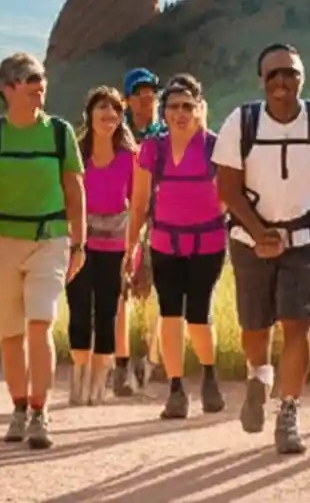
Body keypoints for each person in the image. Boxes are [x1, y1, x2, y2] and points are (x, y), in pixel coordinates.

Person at [214, 42, 310, 455]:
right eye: (273, 74)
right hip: (248, 239)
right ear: (262, 80)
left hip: (303, 242)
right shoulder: (242, 122)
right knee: (255, 328)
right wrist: (259, 234)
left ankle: (288, 414)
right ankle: (260, 374)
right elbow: (228, 190)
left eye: (289, 72)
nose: (281, 81)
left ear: (301, 77)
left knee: (298, 323)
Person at [0, 52, 85, 450]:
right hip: (0, 242)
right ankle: (18, 408)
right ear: (7, 88)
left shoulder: (60, 132)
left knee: (40, 323)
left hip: (49, 240)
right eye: (30, 78)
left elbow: (74, 188)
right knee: (11, 334)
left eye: (41, 78)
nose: (39, 85)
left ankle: (39, 411)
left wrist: (79, 242)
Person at [125, 73, 227, 419]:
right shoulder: (153, 150)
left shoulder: (215, 147)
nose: (180, 113)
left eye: (187, 106)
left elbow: (229, 199)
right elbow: (138, 204)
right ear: (164, 112)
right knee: (170, 314)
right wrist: (130, 251)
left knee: (198, 313)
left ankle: (209, 374)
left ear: (200, 109)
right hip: (165, 243)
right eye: (173, 106)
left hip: (208, 243)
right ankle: (176, 388)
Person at [67, 86, 137, 406]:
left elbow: (139, 206)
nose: (109, 115)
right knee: (79, 310)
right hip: (79, 243)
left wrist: (133, 248)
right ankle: (78, 377)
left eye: (115, 110)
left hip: (116, 246)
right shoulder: (76, 154)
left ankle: (98, 382)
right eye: (102, 109)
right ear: (90, 114)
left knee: (108, 312)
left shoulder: (130, 158)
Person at [115, 67, 167, 395]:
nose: (146, 97)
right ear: (127, 99)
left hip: (161, 221)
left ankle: (152, 358)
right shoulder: (118, 135)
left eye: (151, 91)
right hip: (125, 221)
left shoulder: (166, 131)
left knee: (160, 294)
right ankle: (121, 363)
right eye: (139, 92)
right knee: (122, 290)